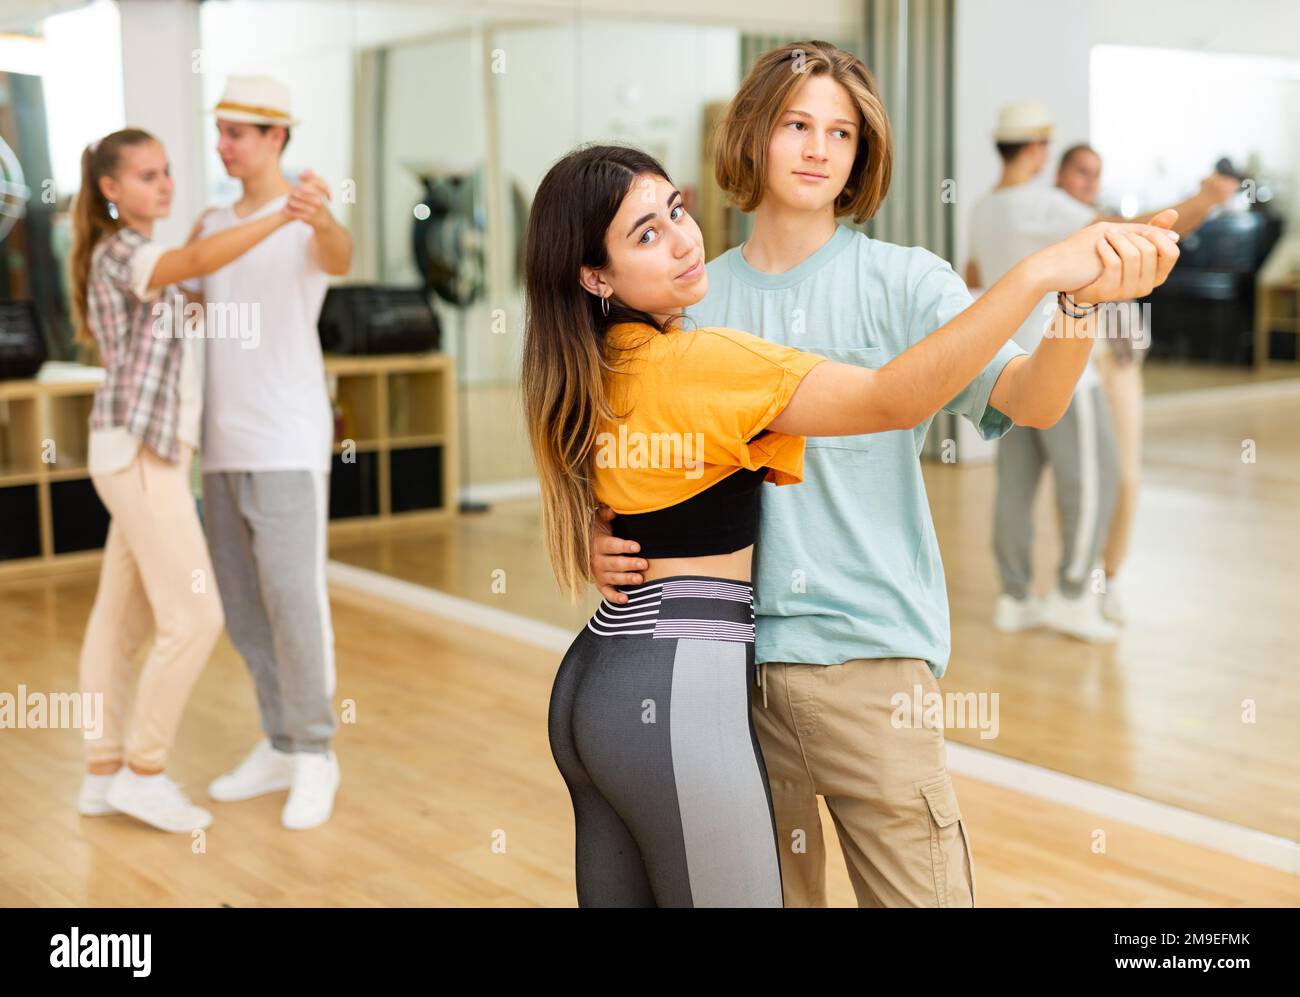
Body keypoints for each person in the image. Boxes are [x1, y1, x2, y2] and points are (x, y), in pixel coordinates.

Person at [587, 41, 1179, 907]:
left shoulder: (907, 282)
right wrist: (597, 535)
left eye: (843, 133)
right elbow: (636, 455)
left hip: (869, 667)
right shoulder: (686, 297)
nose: (820, 149)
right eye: (797, 124)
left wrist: (1076, 304)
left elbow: (1034, 400)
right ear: (754, 132)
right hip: (728, 676)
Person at [70, 127, 312, 832]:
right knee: (196, 615)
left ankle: (101, 769)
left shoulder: (140, 259)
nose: (164, 184)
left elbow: (200, 282)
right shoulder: (132, 253)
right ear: (110, 190)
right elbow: (199, 258)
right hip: (143, 456)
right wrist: (279, 214)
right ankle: (143, 771)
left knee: (120, 620)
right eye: (146, 176)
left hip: (132, 453)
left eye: (167, 171)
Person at [970, 105, 1235, 642]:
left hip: (1003, 370)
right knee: (1095, 481)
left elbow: (974, 275)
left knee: (1015, 488)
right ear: (1041, 150)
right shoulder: (1043, 205)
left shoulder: (983, 209)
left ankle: (1014, 598)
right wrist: (1205, 201)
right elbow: (1133, 232)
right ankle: (1072, 595)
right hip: (1064, 371)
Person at [186, 76, 353, 831]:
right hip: (218, 446)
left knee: (292, 599)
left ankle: (317, 752)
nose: (223, 144)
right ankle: (280, 741)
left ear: (276, 137)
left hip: (287, 439)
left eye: (237, 132)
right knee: (244, 607)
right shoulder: (211, 221)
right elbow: (186, 298)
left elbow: (341, 257)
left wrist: (319, 216)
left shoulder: (308, 219)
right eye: (219, 130)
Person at [1054, 143, 1238, 623]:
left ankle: (1104, 579)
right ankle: (1069, 584)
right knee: (1075, 482)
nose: (1089, 182)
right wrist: (1203, 198)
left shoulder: (1097, 218)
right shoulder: (1062, 221)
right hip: (1068, 364)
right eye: (1080, 172)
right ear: (1059, 176)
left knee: (1124, 476)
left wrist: (1203, 202)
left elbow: (1161, 231)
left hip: (1115, 362)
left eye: (1096, 174)